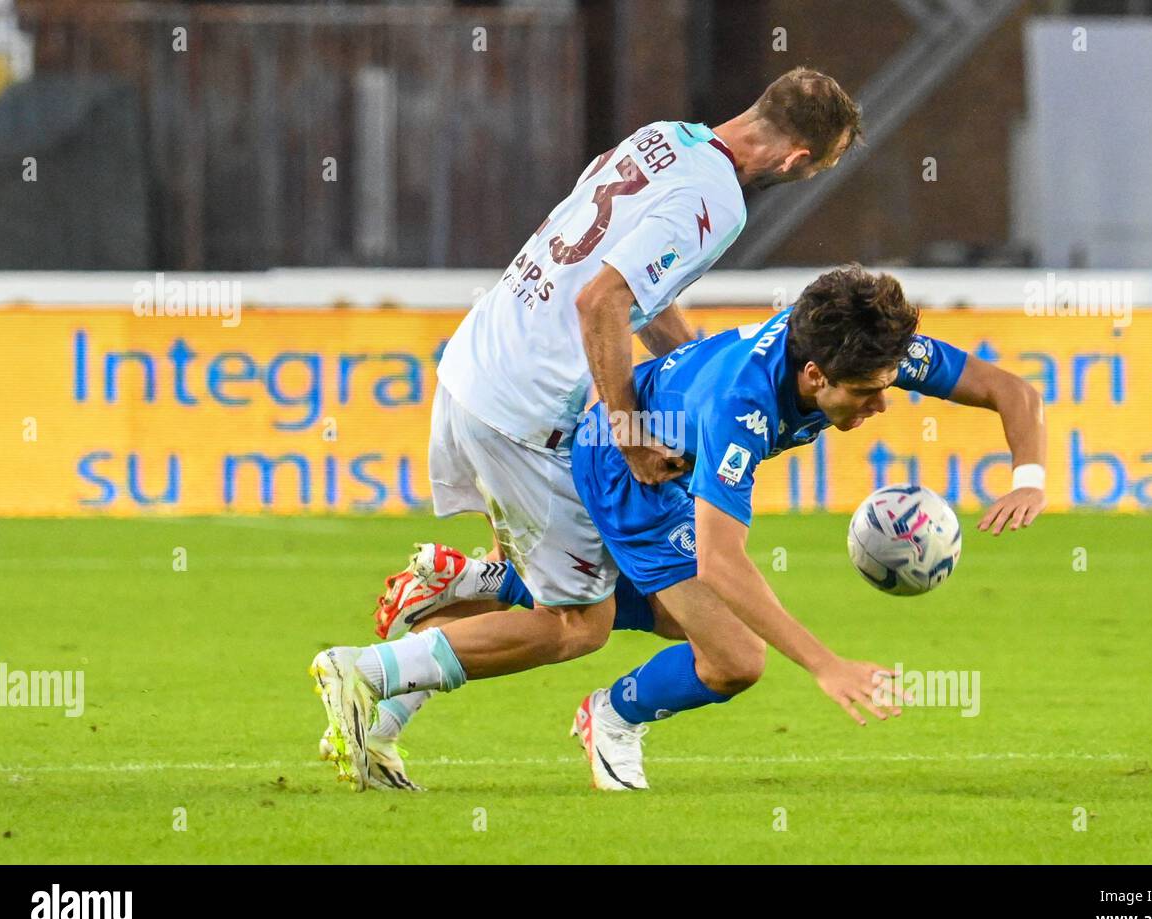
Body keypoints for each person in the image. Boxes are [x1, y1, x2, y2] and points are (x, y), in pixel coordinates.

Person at [312, 68, 864, 790]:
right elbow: (604, 300)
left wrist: (693, 364)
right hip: (528, 409)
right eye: (817, 168)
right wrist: (632, 429)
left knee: (660, 611)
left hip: (479, 367)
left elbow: (632, 287)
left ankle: (387, 711)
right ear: (798, 162)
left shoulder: (662, 140)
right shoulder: (718, 200)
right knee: (576, 624)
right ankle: (364, 670)